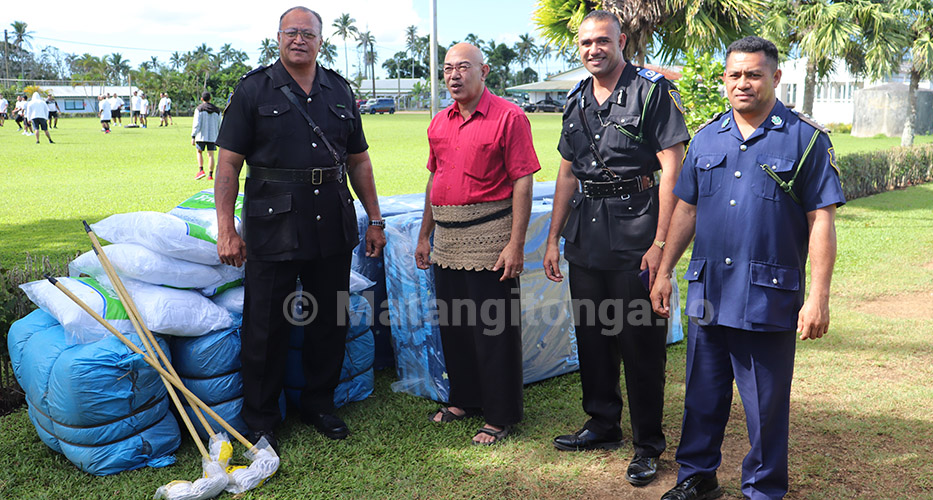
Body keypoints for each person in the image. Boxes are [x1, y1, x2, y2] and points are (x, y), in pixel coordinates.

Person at [649, 36, 845, 500]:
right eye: (735, 75)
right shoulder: (707, 138)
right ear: (724, 79)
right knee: (701, 393)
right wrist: (664, 270)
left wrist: (818, 298)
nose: (743, 83)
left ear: (775, 78)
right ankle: (697, 476)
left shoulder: (806, 139)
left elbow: (822, 220)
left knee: (766, 404)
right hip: (709, 292)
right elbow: (687, 210)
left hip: (766, 296)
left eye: (754, 74)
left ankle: (763, 487)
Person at [214, 6, 386, 453]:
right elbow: (229, 164)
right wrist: (226, 229)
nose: (298, 40)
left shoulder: (339, 91)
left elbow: (359, 161)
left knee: (329, 318)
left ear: (320, 41)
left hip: (332, 217)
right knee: (265, 325)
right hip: (273, 223)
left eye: (307, 33)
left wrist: (376, 218)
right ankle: (262, 418)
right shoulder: (253, 90)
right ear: (277, 38)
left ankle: (319, 404)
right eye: (291, 32)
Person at [541, 10, 689, 487]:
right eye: (584, 43)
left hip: (638, 233)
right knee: (594, 337)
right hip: (587, 235)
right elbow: (567, 172)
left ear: (620, 40)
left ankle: (647, 444)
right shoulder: (576, 98)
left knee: (641, 343)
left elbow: (673, 170)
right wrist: (552, 237)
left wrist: (661, 244)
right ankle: (602, 424)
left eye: (601, 41)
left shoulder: (652, 91)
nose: (592, 50)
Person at [415, 43, 540, 445]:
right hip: (447, 240)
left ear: (484, 71)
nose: (454, 75)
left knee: (492, 329)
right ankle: (463, 399)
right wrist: (423, 235)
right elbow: (435, 179)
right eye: (448, 68)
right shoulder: (438, 122)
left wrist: (515, 244)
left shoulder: (510, 116)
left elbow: (523, 179)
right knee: (455, 326)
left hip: (491, 237)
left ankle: (500, 415)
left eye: (463, 67)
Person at [192, 91, 220, 180]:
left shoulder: (199, 109)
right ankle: (211, 175)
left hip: (201, 135)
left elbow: (197, 123)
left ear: (201, 99)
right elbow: (220, 124)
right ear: (210, 98)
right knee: (211, 155)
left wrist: (193, 136)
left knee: (199, 151)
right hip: (213, 136)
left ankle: (201, 170)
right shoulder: (217, 110)